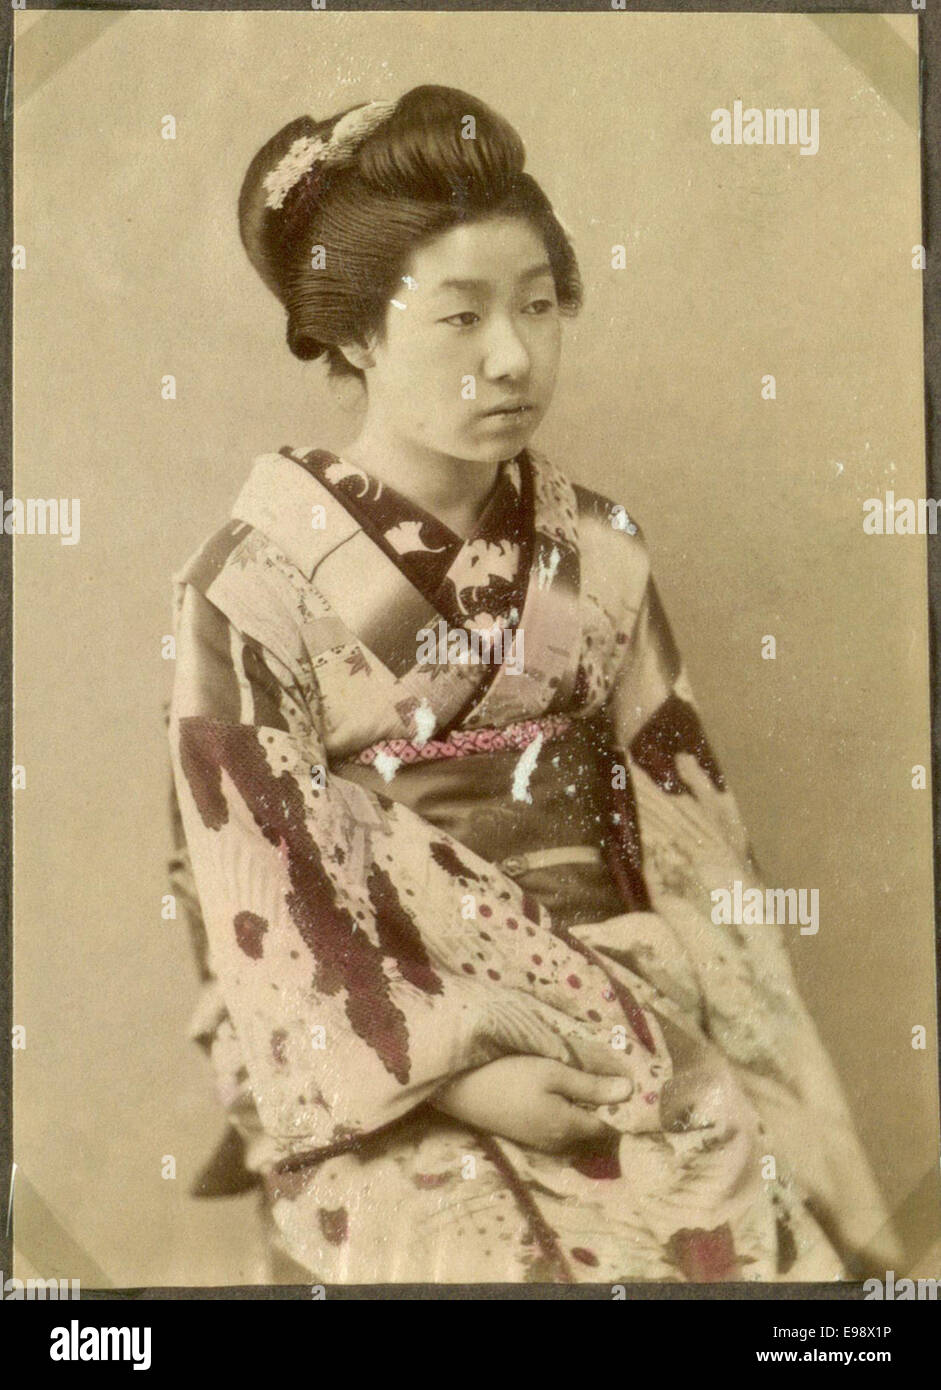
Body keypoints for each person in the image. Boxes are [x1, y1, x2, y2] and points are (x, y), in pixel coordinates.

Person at [168, 84, 898, 1283]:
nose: (511, 355)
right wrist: (468, 1072)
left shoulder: (597, 553)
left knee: (751, 1250)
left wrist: (698, 1033)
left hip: (627, 1028)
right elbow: (249, 907)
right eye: (458, 317)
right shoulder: (249, 589)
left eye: (539, 305)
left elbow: (692, 847)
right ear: (351, 333)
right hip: (392, 1072)